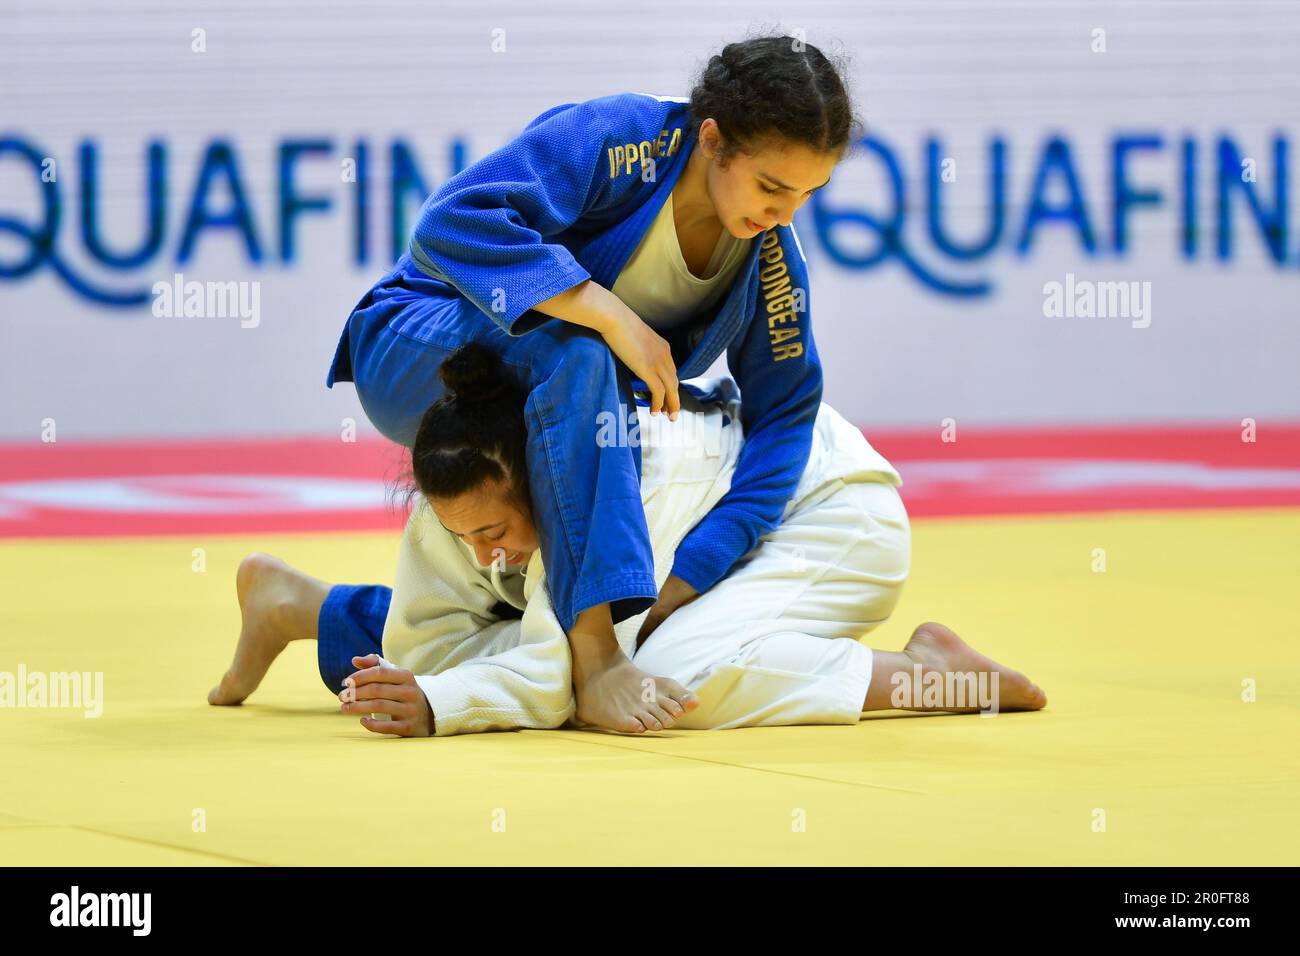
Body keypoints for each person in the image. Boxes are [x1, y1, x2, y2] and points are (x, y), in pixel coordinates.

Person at [320, 37, 856, 728]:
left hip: (539, 390)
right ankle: (598, 656)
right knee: (581, 352)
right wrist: (608, 314)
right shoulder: (624, 138)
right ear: (713, 139)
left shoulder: (769, 256)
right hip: (414, 345)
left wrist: (699, 564)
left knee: (536, 561)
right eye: (771, 187)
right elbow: (451, 220)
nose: (783, 214)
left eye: (806, 195)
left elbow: (786, 417)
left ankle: (311, 611)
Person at [209, 345, 1048, 735]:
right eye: (461, 537)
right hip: (712, 535)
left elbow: (553, 677)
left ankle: (930, 678)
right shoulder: (470, 475)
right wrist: (420, 676)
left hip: (830, 514)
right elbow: (431, 640)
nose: (482, 557)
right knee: (543, 640)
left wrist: (437, 706)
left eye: (496, 531)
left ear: (539, 478)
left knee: (657, 681)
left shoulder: (610, 482)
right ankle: (306, 605)